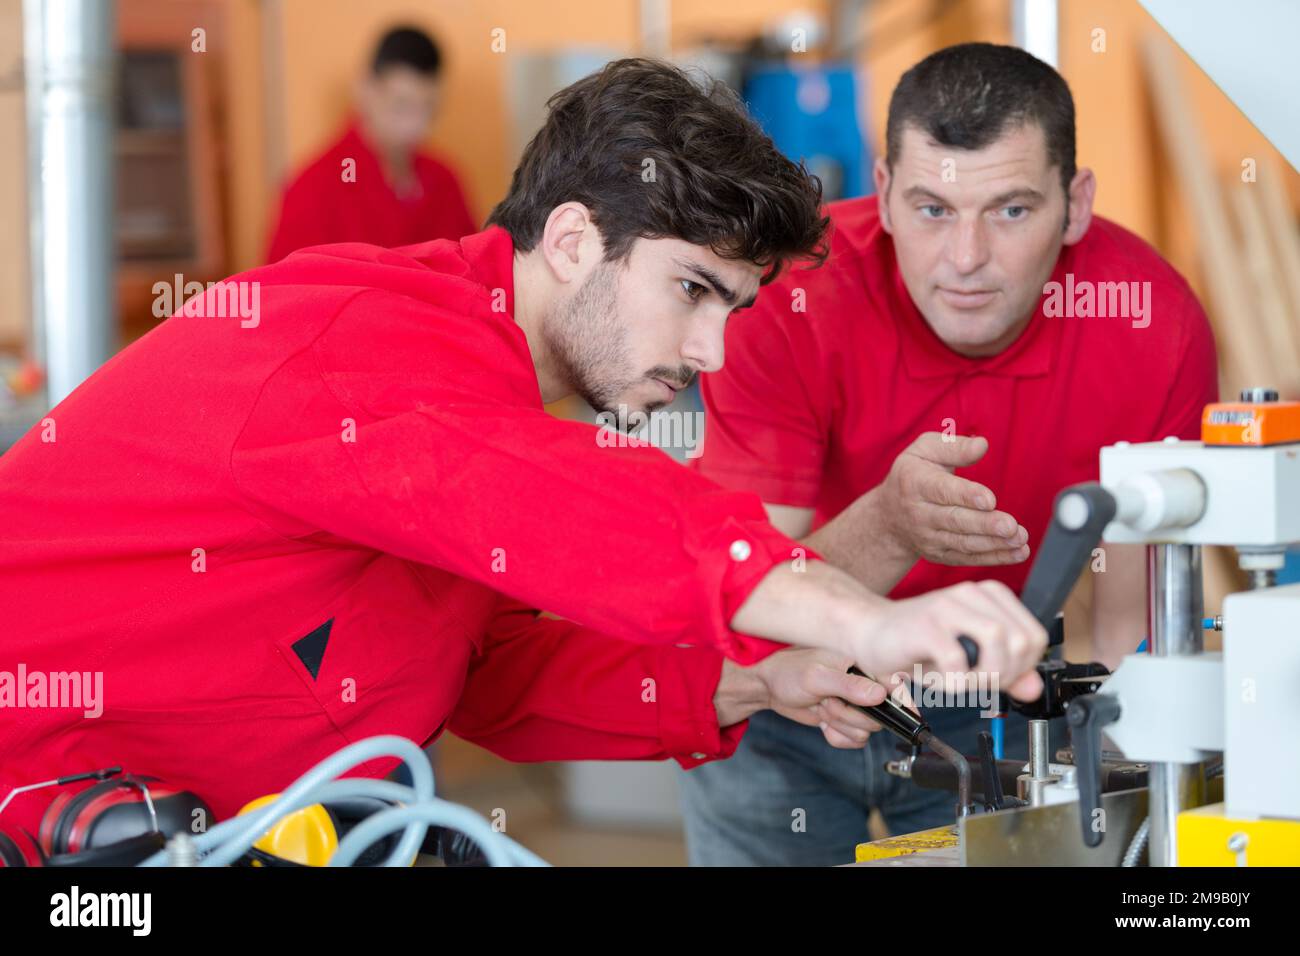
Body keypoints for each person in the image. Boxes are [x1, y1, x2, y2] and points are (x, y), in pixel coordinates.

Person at [0, 59, 1046, 838]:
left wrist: (755, 682)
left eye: (736, 308)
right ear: (575, 240)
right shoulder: (364, 334)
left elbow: (492, 670)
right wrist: (869, 613)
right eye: (692, 290)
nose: (713, 351)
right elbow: (556, 502)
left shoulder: (483, 383)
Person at [677, 43, 1219, 865]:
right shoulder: (788, 300)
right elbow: (746, 600)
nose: (966, 260)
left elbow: (1120, 630)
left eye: (1010, 210)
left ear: (1074, 206)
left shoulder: (1149, 322)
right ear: (886, 195)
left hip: (997, 692)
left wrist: (1106, 816)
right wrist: (891, 526)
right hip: (781, 702)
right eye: (933, 209)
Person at [265, 25, 477, 263]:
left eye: (428, 109)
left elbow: (474, 273)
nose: (416, 125)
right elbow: (283, 292)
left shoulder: (445, 181)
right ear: (365, 88)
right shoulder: (312, 189)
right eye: (402, 105)